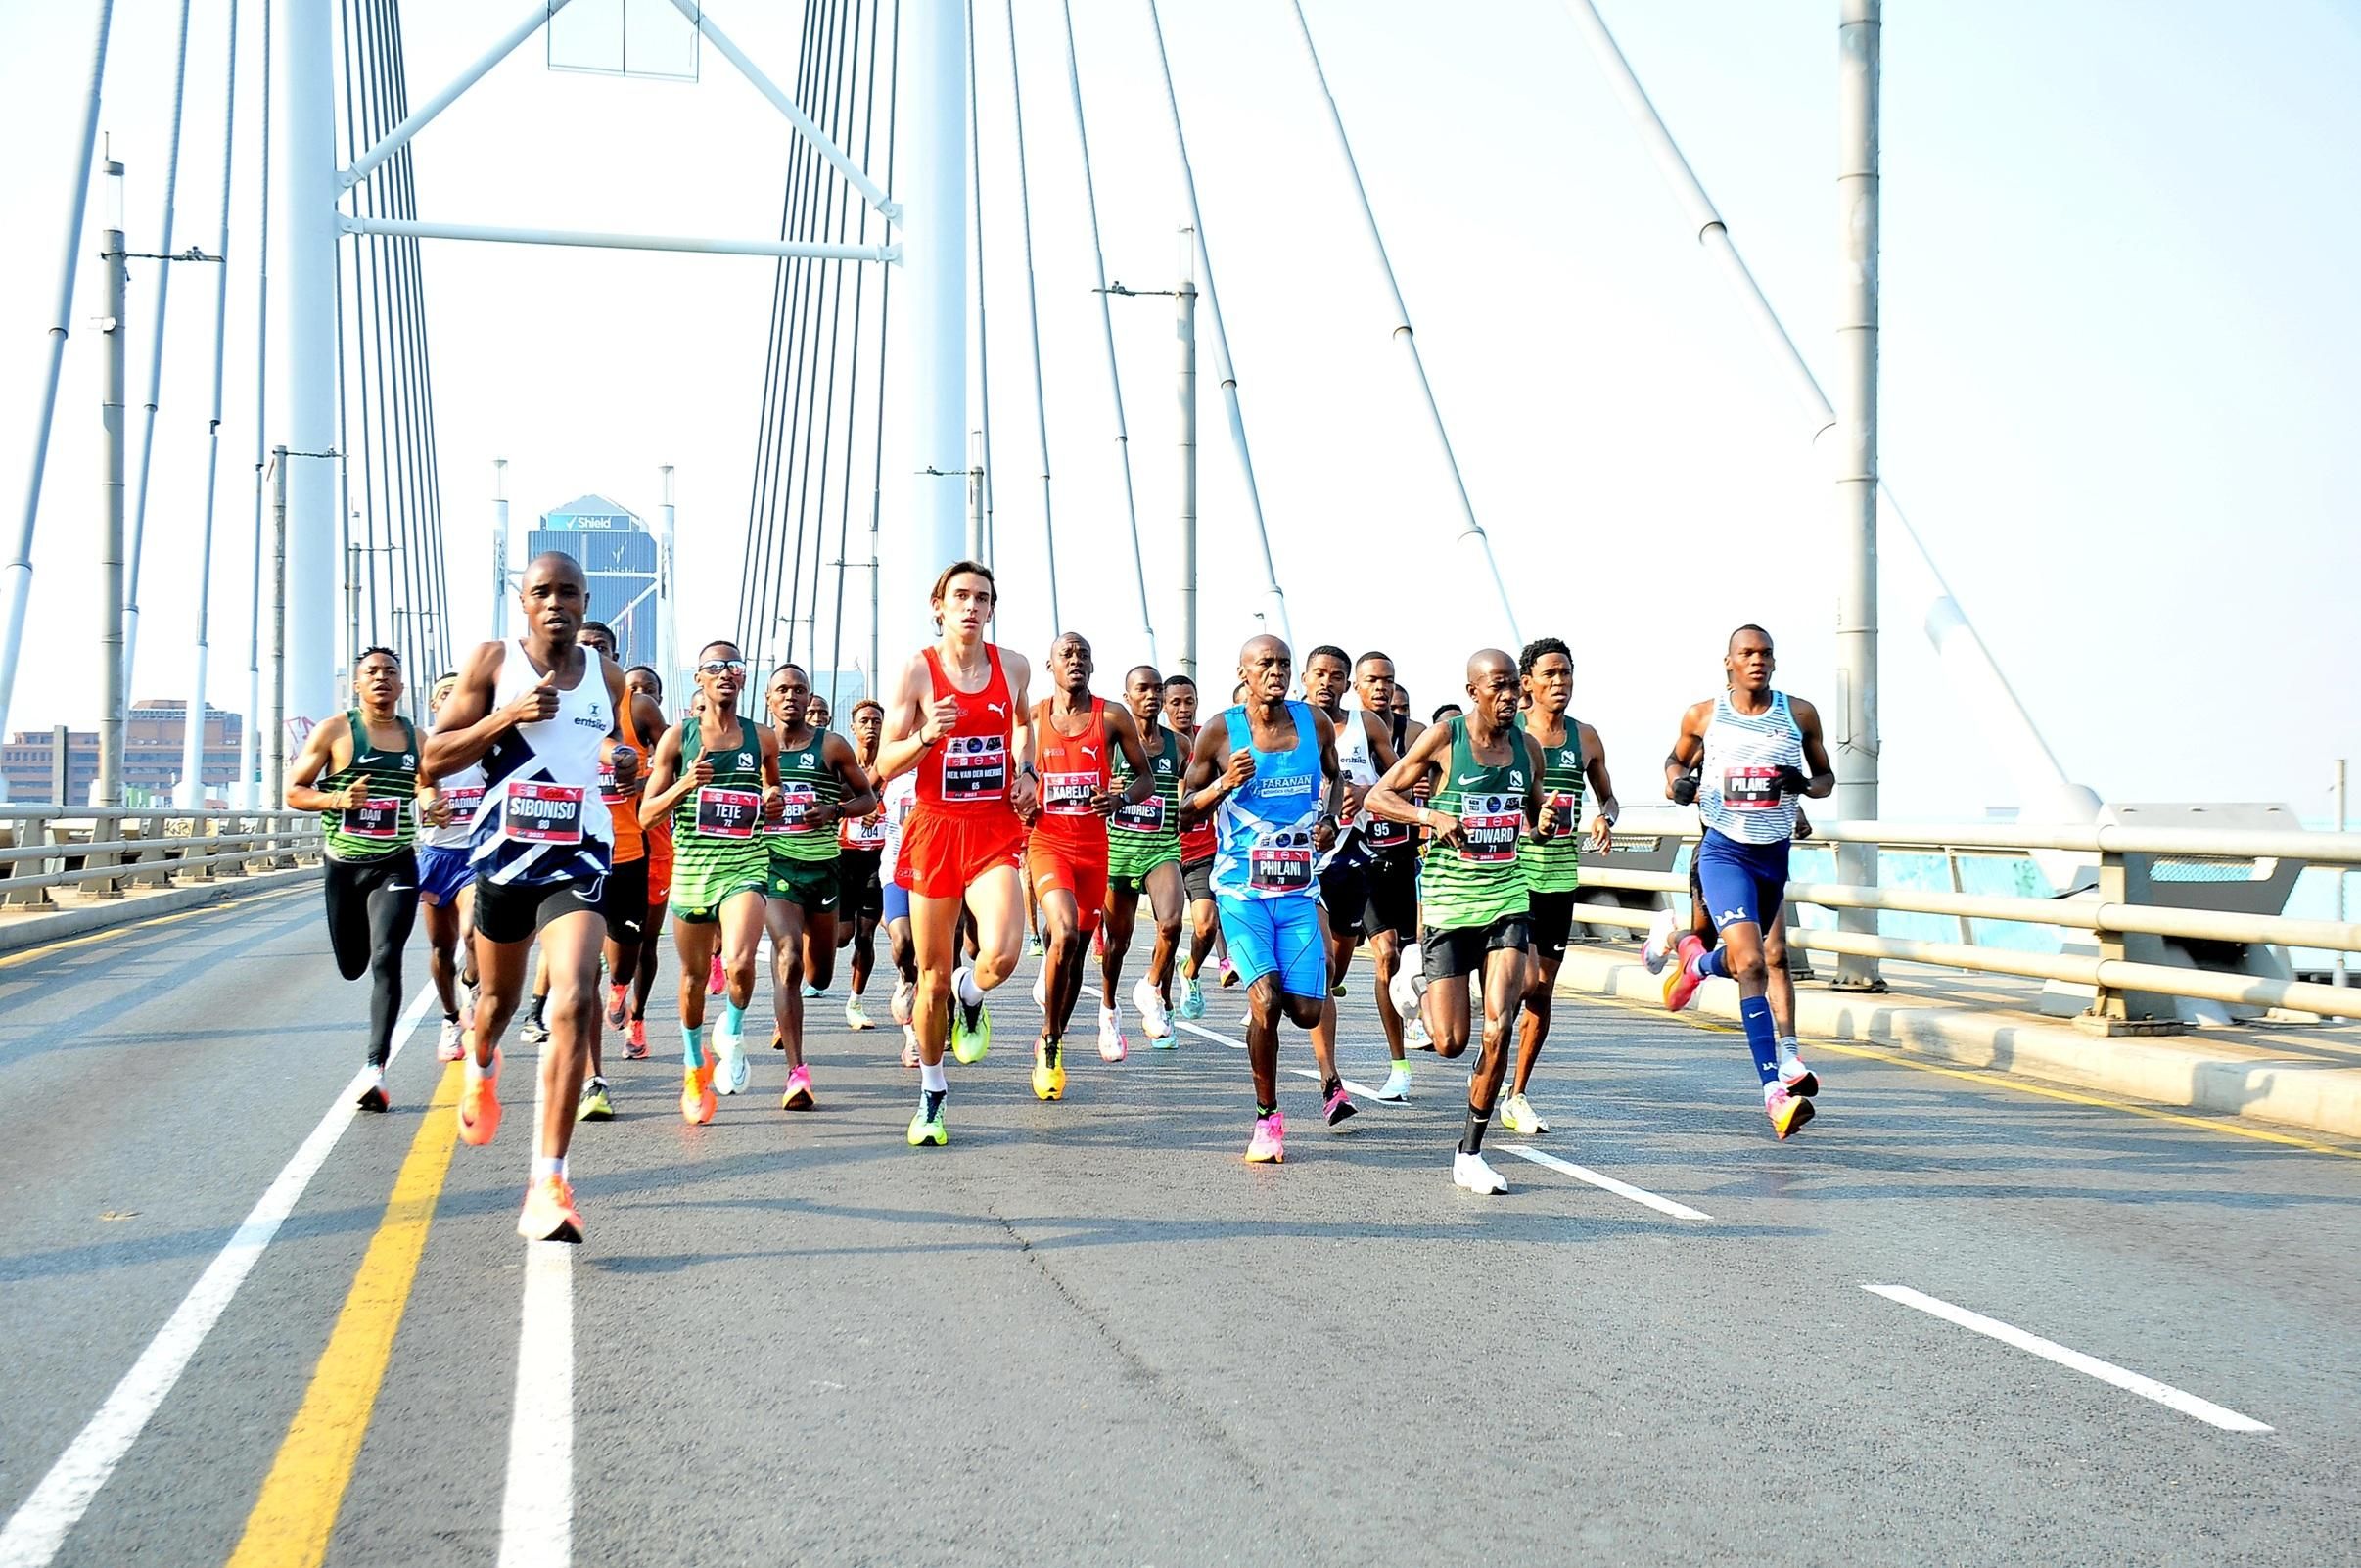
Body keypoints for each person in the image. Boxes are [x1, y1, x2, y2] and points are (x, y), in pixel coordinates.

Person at [426, 552, 637, 1243]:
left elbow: (604, 742)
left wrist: (620, 759)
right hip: (502, 858)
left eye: (569, 593)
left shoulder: (607, 677)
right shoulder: (493, 664)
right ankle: (482, 1066)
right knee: (496, 1003)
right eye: (541, 592)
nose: (556, 603)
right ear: (523, 602)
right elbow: (432, 758)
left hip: (578, 854)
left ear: (584, 601)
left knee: (575, 994)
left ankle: (549, 1180)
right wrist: (506, 717)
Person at [1366, 649, 1548, 1195]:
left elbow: (1535, 821)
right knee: (1449, 1043)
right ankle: (1413, 984)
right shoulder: (1446, 739)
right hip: (1448, 904)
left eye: (1516, 686)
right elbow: (1379, 796)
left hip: (1507, 898)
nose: (1512, 696)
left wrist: (1547, 819)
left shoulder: (1527, 748)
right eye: (1499, 686)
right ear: (1474, 692)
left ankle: (1470, 1152)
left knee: (1500, 1025)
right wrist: (1431, 815)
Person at [872, 561, 1036, 1146]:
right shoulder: (917, 672)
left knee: (1005, 952)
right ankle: (932, 1094)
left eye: (982, 598)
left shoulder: (1011, 666)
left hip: (992, 827)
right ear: (938, 605)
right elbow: (883, 765)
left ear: (991, 609)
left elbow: (1022, 724)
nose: (971, 606)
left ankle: (975, 994)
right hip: (936, 828)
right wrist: (924, 736)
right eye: (960, 596)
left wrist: (1027, 770)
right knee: (930, 977)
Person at [1180, 635, 1353, 1163]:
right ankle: (1267, 1119)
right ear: (1244, 672)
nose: (1275, 672)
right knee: (1268, 1001)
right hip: (1240, 892)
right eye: (1265, 664)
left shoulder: (1313, 723)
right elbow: (1186, 809)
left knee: (1305, 1010)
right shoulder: (1219, 731)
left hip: (1298, 890)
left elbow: (1335, 777)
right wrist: (1221, 786)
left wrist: (1328, 819)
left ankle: (1260, 977)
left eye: (1283, 663)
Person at [1657, 624, 1832, 1138]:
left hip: (1772, 858)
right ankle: (1774, 1093)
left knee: (1741, 961)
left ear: (1775, 663)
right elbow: (1673, 764)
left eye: (1766, 654)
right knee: (1755, 962)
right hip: (1725, 852)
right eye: (1747, 654)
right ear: (1729, 663)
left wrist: (1802, 783)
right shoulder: (1705, 715)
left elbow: (1825, 780)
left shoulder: (1798, 714)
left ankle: (1696, 960)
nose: (1757, 661)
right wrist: (1678, 784)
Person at [639, 642, 781, 1124]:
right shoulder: (678, 740)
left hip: (744, 864)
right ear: (699, 678)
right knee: (694, 979)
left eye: (734, 667)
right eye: (715, 667)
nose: (726, 674)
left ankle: (734, 1034)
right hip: (692, 873)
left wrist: (773, 797)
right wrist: (684, 785)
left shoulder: (762, 738)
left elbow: (772, 786)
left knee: (740, 963)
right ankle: (693, 1065)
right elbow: (645, 814)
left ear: (744, 679)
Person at [286, 646, 425, 1113]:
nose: (381, 678)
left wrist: (433, 803)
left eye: (390, 672)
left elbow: (427, 785)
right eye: (372, 672)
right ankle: (374, 1064)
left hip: (396, 863)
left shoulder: (415, 737)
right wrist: (337, 801)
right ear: (357, 685)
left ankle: (374, 1069)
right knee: (353, 964)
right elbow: (294, 791)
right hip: (344, 866)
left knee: (387, 956)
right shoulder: (335, 731)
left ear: (402, 687)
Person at [1021, 634, 1156, 1097]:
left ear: (1093, 666)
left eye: (1082, 655)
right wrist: (1020, 798)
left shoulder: (1112, 716)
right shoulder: (1034, 719)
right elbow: (1009, 771)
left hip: (1093, 849)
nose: (1075, 660)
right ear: (1050, 665)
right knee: (1062, 933)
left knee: (1076, 949)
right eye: (1066, 654)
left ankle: (1057, 1029)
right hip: (1048, 843)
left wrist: (1119, 798)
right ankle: (1048, 1036)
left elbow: (1146, 777)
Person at [1501, 637, 1619, 1136]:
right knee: (1522, 982)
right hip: (1511, 878)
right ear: (1526, 683)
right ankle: (1488, 1063)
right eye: (1548, 674)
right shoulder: (1508, 738)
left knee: (1541, 992)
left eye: (1565, 673)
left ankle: (1516, 1094)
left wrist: (1604, 820)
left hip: (1560, 880)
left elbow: (1610, 799)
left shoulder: (1585, 738)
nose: (1559, 682)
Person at [759, 663, 876, 1110]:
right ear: (769, 699)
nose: (791, 696)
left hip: (824, 871)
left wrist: (835, 811)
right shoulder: (756, 746)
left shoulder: (831, 746)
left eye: (800, 690)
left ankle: (790, 999)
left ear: (810, 700)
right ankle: (797, 1074)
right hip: (773, 867)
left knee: (819, 974)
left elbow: (869, 798)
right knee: (787, 957)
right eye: (782, 689)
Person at [573, 622, 665, 1122]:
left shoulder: (638, 708)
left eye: (600, 650)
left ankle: (621, 990)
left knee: (625, 956)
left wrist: (641, 773)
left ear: (614, 657)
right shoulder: (547, 702)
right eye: (582, 648)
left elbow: (675, 760)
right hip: (573, 856)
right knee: (581, 966)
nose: (589, 657)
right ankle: (593, 1080)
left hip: (630, 851)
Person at [1299, 645, 1396, 1117]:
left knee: (1333, 973)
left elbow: (1399, 776)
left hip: (1350, 859)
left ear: (1347, 683)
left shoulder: (1367, 726)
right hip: (1298, 865)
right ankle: (1331, 1083)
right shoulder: (1289, 727)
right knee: (1319, 974)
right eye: (1319, 673)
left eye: (1337, 675)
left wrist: (1364, 792)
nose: (1327, 682)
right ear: (1304, 678)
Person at [1096, 665, 1189, 1050]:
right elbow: (1086, 781)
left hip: (1161, 847)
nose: (1151, 696)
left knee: (1170, 923)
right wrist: (1107, 785)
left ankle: (1150, 987)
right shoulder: (1111, 740)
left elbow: (1195, 786)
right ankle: (1108, 1011)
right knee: (1117, 943)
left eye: (1157, 690)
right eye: (1143, 689)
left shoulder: (1179, 744)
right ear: (1127, 695)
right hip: (1117, 849)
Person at [1351, 652, 1424, 1094]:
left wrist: (1428, 787)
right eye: (1372, 681)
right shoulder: (1340, 734)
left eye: (1388, 681)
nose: (1382, 688)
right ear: (1356, 687)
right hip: (1363, 862)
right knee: (1387, 954)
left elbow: (1441, 777)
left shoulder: (1415, 735)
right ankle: (1398, 1063)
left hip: (1409, 859)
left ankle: (1419, 1017)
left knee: (1419, 959)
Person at [415, 670, 482, 1065]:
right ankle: (449, 1019)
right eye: (443, 693)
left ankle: (472, 981)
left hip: (476, 856)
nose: (451, 698)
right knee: (441, 947)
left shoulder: (485, 740)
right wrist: (428, 803)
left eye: (458, 692)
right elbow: (419, 784)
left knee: (473, 933)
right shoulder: (424, 743)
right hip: (437, 857)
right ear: (435, 704)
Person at [1163, 672, 1230, 1015]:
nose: (1183, 708)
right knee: (1168, 929)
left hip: (1203, 850)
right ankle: (1164, 1009)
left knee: (1205, 926)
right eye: (1175, 702)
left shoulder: (1210, 740)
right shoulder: (1153, 744)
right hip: (1162, 853)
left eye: (1189, 701)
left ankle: (1189, 972)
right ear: (1163, 705)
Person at [624, 664, 672, 1058]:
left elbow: (683, 780)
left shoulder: (670, 748)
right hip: (609, 850)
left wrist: (643, 784)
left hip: (656, 849)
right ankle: (617, 984)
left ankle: (637, 1020)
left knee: (647, 941)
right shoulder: (592, 733)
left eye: (648, 688)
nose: (640, 693)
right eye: (632, 687)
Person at [835, 698, 891, 1030]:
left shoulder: (893, 767)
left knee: (865, 936)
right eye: (865, 721)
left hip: (877, 861)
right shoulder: (842, 766)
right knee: (841, 936)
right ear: (853, 728)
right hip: (843, 859)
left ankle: (855, 1002)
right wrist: (858, 806)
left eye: (876, 721)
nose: (871, 726)